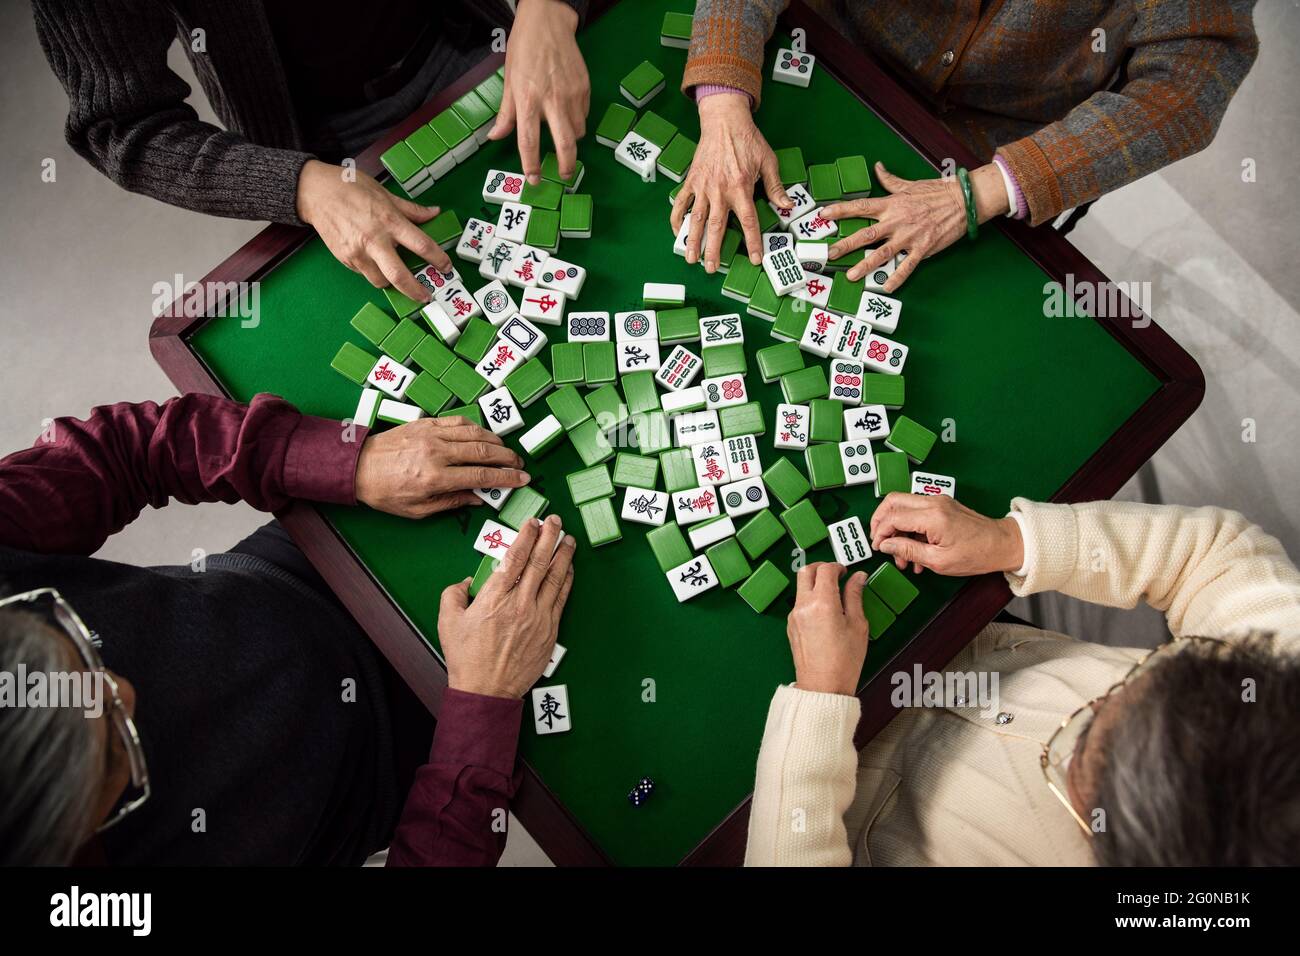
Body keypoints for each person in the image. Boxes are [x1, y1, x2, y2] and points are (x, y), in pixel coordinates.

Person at [0, 393, 573, 866]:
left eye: (71, 640)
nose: (123, 690)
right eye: (113, 752)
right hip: (385, 772)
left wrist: (347, 462)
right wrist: (483, 703)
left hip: (296, 574)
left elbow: (125, 450)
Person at [746, 493, 1300, 866]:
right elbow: (1216, 554)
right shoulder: (1280, 683)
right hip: (963, 640)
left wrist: (819, 702)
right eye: (1131, 682)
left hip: (802, 788)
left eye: (1076, 753)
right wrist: (1014, 541)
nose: (1085, 707)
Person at [32, 0, 591, 306]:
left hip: (478, 32)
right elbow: (124, 126)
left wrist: (548, 7)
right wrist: (300, 186)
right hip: (329, 143)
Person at [673, 0, 1258, 289]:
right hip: (827, 58)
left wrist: (980, 192)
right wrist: (723, 96)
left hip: (991, 146)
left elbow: (1183, 95)